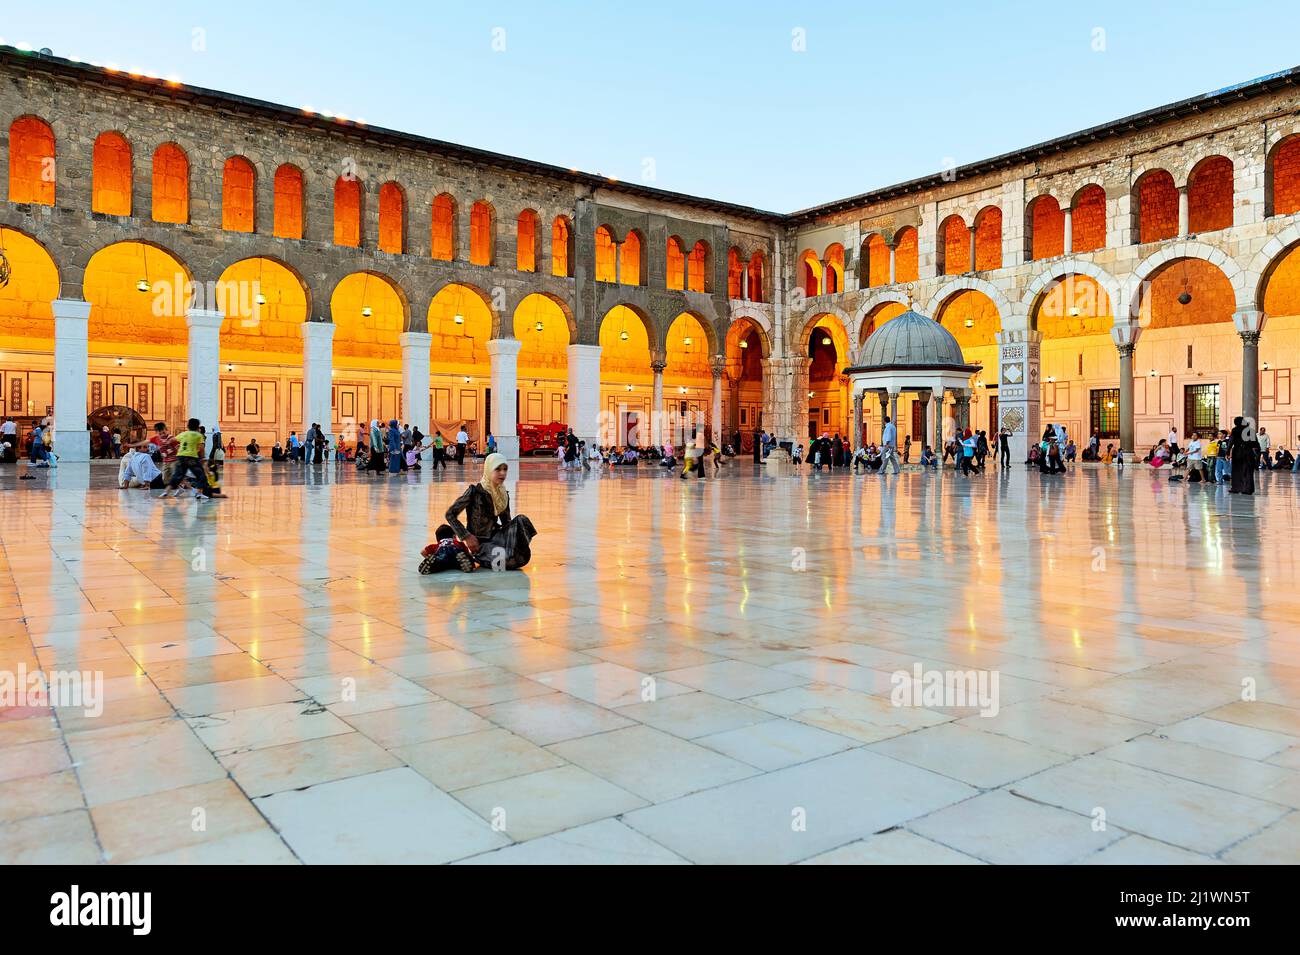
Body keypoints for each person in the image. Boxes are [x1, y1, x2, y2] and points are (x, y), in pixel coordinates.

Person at [445, 452, 537, 570]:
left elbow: (506, 523)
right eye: (497, 469)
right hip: (480, 543)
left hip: (496, 536)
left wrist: (514, 539)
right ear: (489, 469)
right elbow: (450, 514)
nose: (502, 473)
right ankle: (473, 557)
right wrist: (466, 536)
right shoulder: (475, 491)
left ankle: (507, 554)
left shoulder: (502, 494)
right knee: (506, 561)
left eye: (505, 469)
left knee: (522, 522)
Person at [160, 418, 210, 500]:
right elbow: (201, 448)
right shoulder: (199, 435)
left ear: (188, 426)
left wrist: (167, 443)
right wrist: (203, 458)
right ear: (198, 427)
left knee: (177, 475)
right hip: (192, 457)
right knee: (201, 476)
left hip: (181, 457)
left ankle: (166, 491)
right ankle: (199, 493)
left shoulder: (183, 434)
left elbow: (172, 440)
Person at [1228, 416, 1260, 495]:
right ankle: (1248, 489)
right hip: (1248, 453)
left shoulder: (1235, 430)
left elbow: (1231, 441)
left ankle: (1236, 488)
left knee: (1236, 471)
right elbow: (1255, 443)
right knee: (1248, 471)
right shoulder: (1250, 430)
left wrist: (1227, 451)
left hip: (1237, 453)